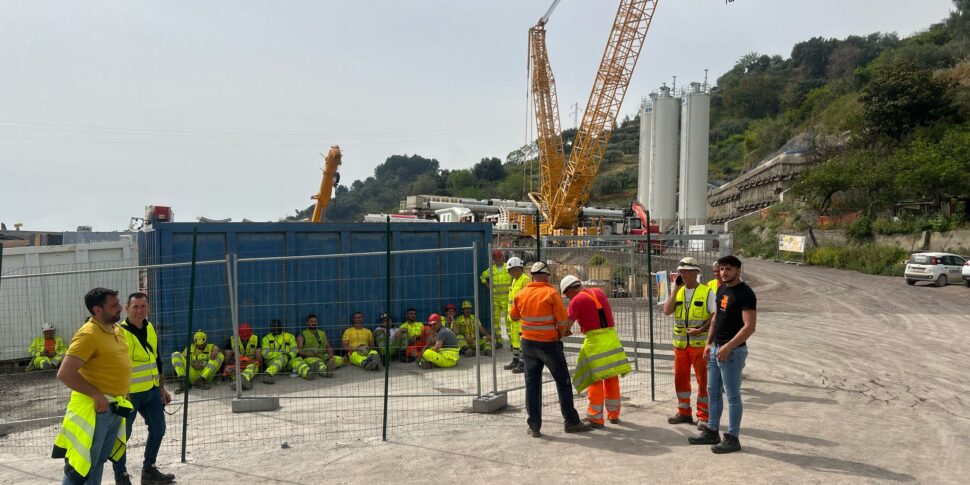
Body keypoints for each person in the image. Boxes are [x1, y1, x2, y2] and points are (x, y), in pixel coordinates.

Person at [52, 288, 133, 485]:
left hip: (113, 406)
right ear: (97, 309)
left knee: (98, 461)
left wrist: (125, 391)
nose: (120, 308)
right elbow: (65, 373)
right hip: (96, 409)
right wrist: (97, 396)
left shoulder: (116, 329)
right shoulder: (88, 335)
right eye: (113, 305)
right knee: (82, 466)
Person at [511, 262, 591, 437]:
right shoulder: (551, 293)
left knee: (532, 385)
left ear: (532, 277)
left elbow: (514, 316)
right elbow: (563, 322)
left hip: (527, 345)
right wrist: (562, 333)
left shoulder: (521, 294)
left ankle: (534, 427)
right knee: (563, 383)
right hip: (549, 345)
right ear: (547, 277)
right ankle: (571, 421)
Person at [689, 255, 757, 454]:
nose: (723, 272)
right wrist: (709, 343)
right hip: (716, 349)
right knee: (712, 391)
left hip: (733, 352)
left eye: (728, 269)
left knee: (733, 396)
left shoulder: (746, 293)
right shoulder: (721, 289)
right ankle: (712, 430)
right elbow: (717, 317)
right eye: (721, 269)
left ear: (738, 270)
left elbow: (749, 327)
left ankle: (733, 438)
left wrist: (728, 347)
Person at [113, 292, 175, 485]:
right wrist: (122, 392)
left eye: (143, 306)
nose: (139, 311)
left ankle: (149, 471)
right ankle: (120, 476)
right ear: (126, 308)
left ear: (148, 308)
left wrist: (161, 388)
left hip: (151, 391)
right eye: (135, 307)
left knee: (158, 429)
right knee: (122, 436)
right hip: (129, 394)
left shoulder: (150, 328)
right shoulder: (119, 332)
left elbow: (156, 360)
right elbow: (115, 364)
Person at [560, 275, 631, 429]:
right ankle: (614, 414)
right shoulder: (598, 292)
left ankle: (595, 418)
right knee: (612, 377)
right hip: (612, 340)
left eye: (566, 294)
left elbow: (566, 326)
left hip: (595, 343)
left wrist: (563, 332)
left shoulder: (576, 301)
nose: (567, 298)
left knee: (595, 379)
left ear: (570, 289)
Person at [662, 256, 716, 430]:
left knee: (703, 382)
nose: (682, 273)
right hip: (680, 345)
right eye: (680, 271)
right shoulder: (678, 291)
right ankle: (684, 412)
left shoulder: (707, 292)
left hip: (699, 346)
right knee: (680, 380)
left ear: (695, 272)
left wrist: (701, 330)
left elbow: (716, 315)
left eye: (685, 271)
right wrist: (674, 290)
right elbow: (667, 311)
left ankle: (704, 417)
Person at [261, 319, 315, 384]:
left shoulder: (290, 336)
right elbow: (265, 354)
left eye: (276, 328)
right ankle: (268, 374)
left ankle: (308, 373)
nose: (275, 330)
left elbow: (294, 349)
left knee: (297, 360)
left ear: (281, 328)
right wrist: (281, 355)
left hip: (288, 361)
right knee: (282, 358)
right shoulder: (266, 339)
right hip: (272, 362)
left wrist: (289, 356)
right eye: (273, 329)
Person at [505, 257, 531, 373]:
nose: (509, 272)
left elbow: (525, 299)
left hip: (521, 317)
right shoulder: (515, 280)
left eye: (510, 270)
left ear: (517, 269)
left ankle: (523, 363)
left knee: (521, 340)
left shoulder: (525, 280)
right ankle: (515, 360)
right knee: (515, 340)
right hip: (514, 317)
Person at [480, 250, 510, 349]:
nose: (497, 259)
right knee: (496, 321)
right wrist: (489, 286)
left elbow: (514, 278)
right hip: (495, 299)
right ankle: (499, 341)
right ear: (493, 259)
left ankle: (513, 342)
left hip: (507, 299)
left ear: (502, 257)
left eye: (499, 257)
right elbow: (482, 277)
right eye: (495, 257)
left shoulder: (508, 267)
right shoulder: (491, 269)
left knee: (509, 321)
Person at [297, 314, 342, 378]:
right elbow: (299, 350)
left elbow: (328, 346)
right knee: (318, 362)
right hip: (310, 357)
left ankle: (327, 365)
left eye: (315, 321)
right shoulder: (302, 335)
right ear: (307, 323)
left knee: (339, 359)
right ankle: (326, 372)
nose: (313, 323)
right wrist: (308, 354)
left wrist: (331, 355)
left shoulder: (322, 333)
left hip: (323, 356)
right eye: (311, 322)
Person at [223, 322, 261, 391]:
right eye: (243, 338)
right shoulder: (231, 340)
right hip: (237, 365)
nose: (245, 340)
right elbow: (226, 361)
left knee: (253, 366)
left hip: (250, 363)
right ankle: (243, 383)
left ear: (251, 334)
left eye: (247, 337)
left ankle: (239, 382)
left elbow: (259, 360)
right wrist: (233, 361)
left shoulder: (256, 339)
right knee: (228, 369)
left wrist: (251, 361)